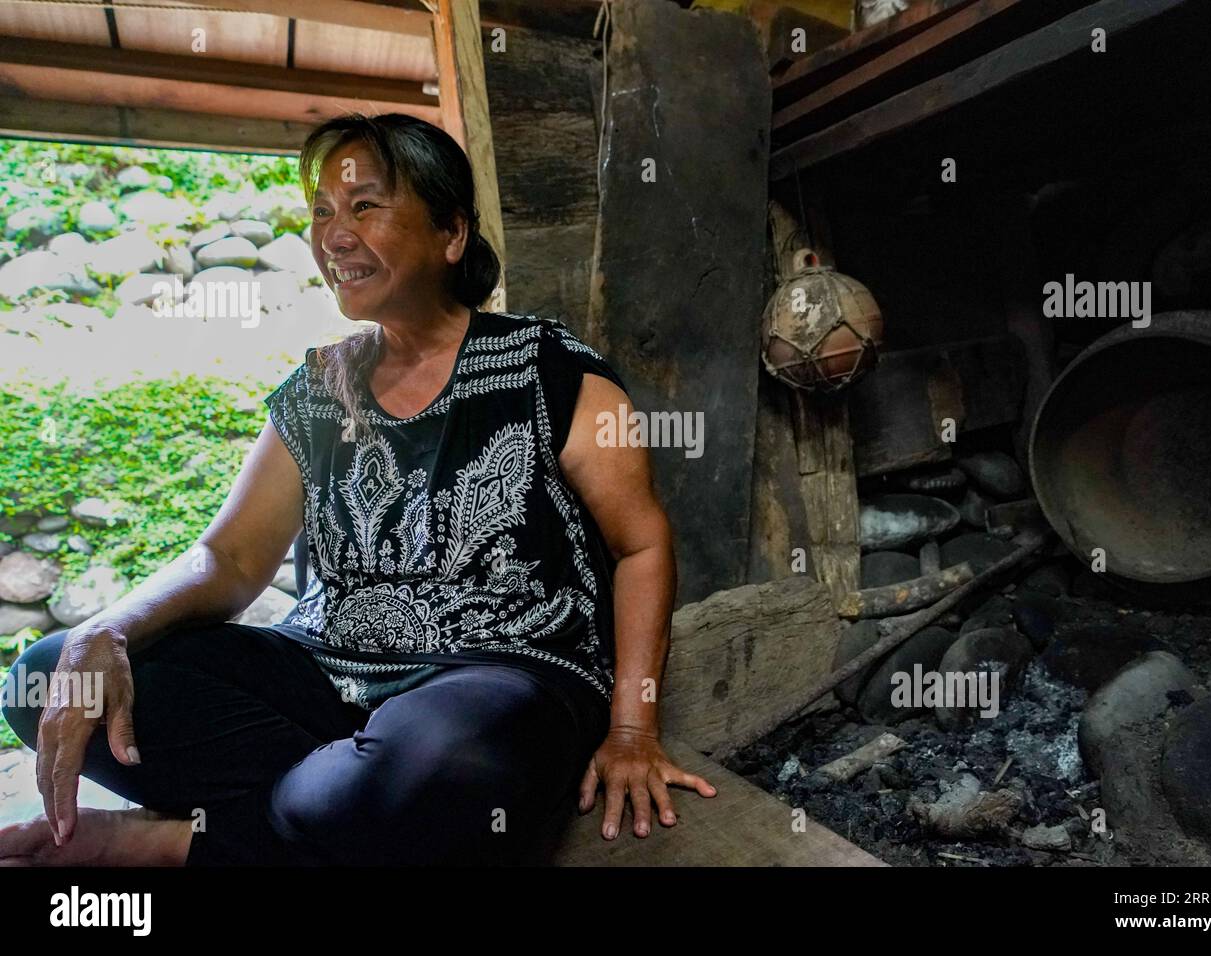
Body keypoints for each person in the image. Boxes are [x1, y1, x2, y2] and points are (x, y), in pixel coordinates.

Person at [0, 112, 715, 866]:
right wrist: (102, 632)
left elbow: (640, 544)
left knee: (440, 765)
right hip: (325, 675)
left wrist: (633, 730)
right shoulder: (317, 391)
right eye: (322, 212)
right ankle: (342, 810)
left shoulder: (553, 371)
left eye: (365, 206)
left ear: (450, 234)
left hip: (493, 680)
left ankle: (174, 844)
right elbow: (231, 561)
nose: (334, 236)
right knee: (46, 679)